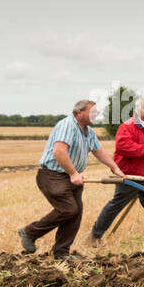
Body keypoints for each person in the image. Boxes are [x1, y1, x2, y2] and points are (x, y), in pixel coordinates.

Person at [19, 99, 124, 258]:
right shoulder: (67, 125)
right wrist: (73, 173)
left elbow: (99, 151)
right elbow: (59, 152)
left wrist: (115, 167)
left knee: (75, 214)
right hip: (53, 175)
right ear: (79, 113)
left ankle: (61, 252)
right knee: (69, 209)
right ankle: (29, 232)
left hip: (71, 176)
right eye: (92, 112)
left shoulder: (88, 131)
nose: (96, 115)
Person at [90, 97, 144, 243]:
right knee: (117, 205)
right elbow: (123, 147)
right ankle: (95, 235)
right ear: (139, 111)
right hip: (130, 175)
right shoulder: (127, 126)